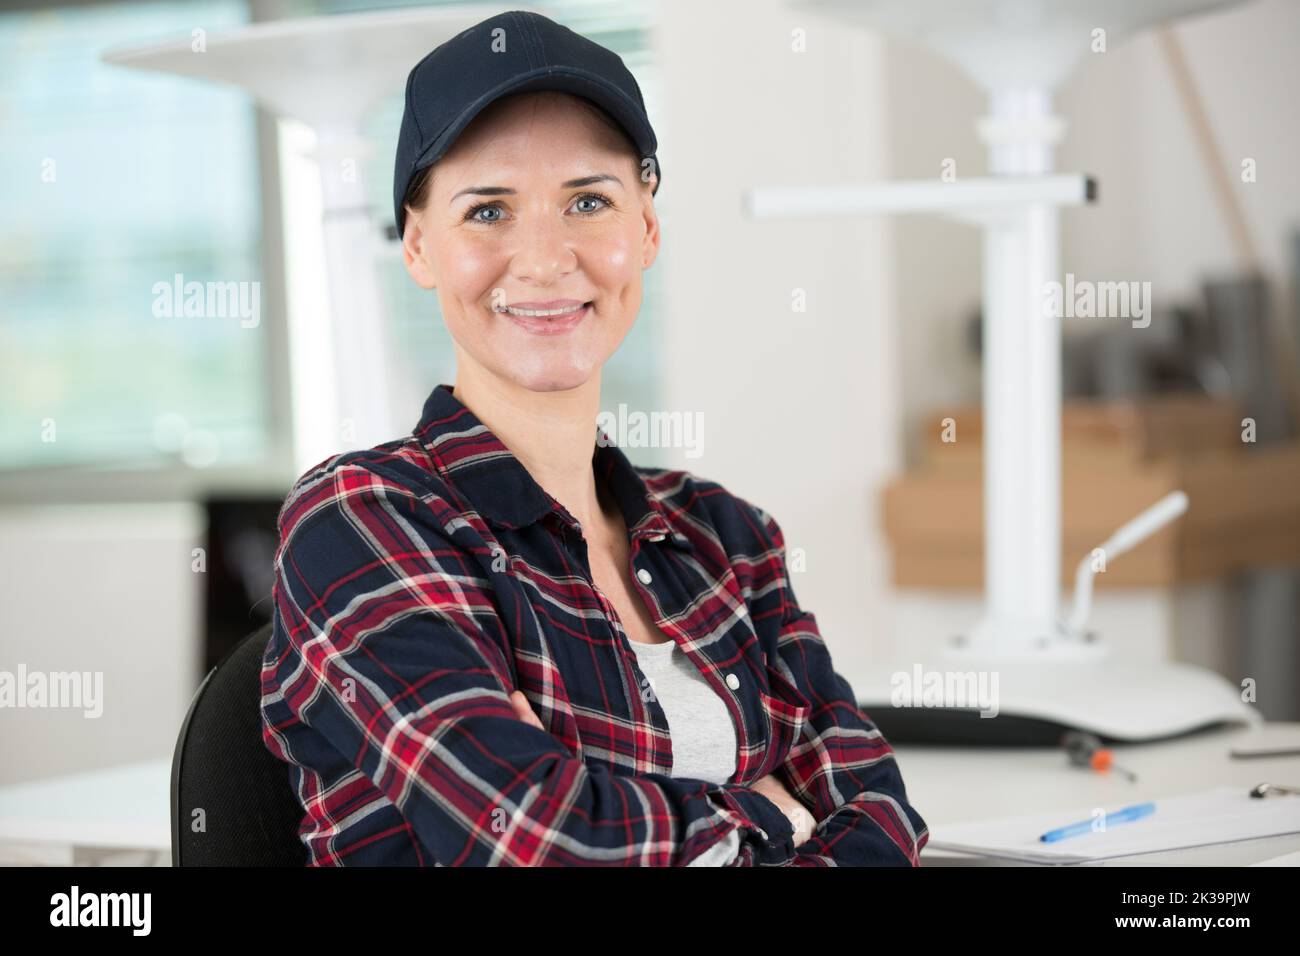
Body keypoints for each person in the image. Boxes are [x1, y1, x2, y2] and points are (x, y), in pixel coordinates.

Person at [260, 9, 928, 866]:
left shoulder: (727, 535)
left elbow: (879, 812)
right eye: (489, 210)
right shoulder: (360, 520)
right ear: (420, 247)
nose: (543, 259)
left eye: (588, 201)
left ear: (646, 229)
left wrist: (620, 798)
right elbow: (542, 840)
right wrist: (768, 815)